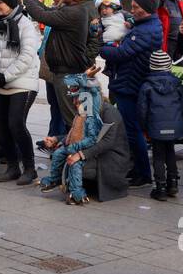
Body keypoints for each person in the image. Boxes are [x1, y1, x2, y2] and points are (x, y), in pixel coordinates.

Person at [97, 0, 162, 188]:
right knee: (131, 129)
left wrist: (101, 46)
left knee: (132, 130)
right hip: (129, 80)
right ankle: (136, 168)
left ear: (148, 9)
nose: (131, 11)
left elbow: (122, 53)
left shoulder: (146, 30)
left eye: (135, 8)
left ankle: (143, 172)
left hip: (131, 84)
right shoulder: (143, 25)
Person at [19, 0, 100, 130]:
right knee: (71, 115)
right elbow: (47, 11)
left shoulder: (74, 12)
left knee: (73, 118)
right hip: (65, 70)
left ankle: (78, 150)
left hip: (68, 72)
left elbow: (43, 16)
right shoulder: (74, 9)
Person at [39, 72, 130, 205]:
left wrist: (81, 155)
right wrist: (57, 139)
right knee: (61, 153)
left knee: (74, 161)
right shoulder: (86, 111)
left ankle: (77, 194)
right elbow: (78, 134)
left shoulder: (109, 112)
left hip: (110, 157)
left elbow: (107, 142)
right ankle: (56, 180)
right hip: (95, 152)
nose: (75, 102)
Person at [0, 0, 41, 185]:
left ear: (11, 4)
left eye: (1, 2)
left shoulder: (25, 25)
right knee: (2, 127)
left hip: (22, 83)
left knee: (16, 124)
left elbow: (27, 56)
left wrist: (7, 76)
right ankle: (12, 167)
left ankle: (30, 168)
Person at [139, 50, 183, 200]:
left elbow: (142, 109)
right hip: (174, 125)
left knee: (158, 156)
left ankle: (160, 188)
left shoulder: (147, 86)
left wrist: (143, 126)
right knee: (170, 152)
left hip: (155, 125)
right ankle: (173, 183)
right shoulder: (177, 84)